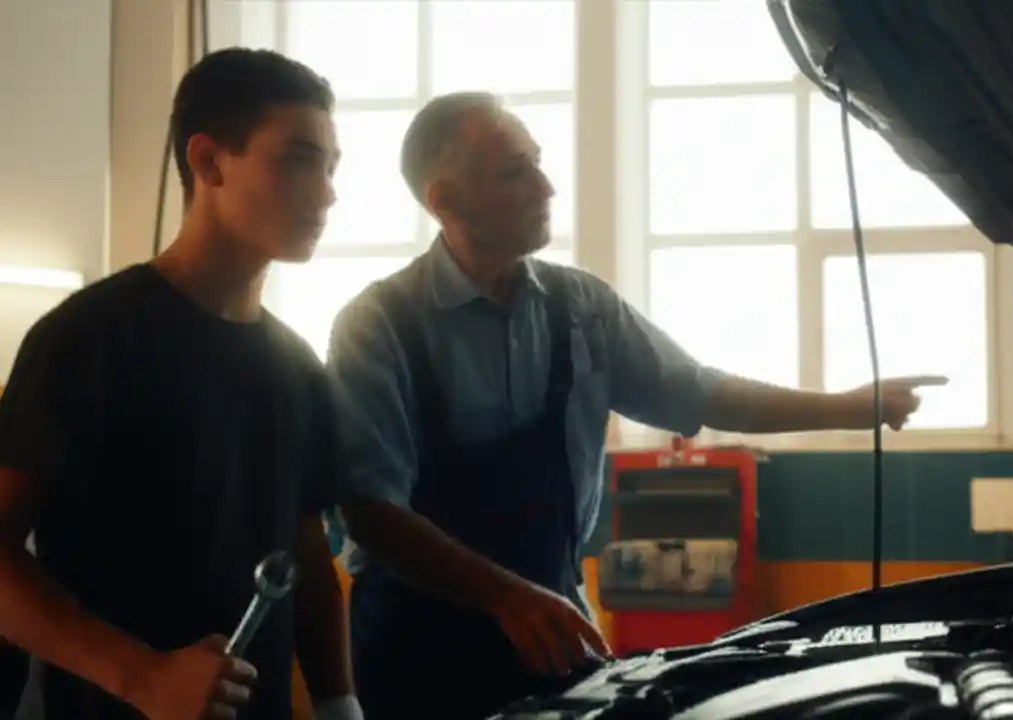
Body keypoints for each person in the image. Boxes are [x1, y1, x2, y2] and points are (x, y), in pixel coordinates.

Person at [326, 91, 946, 719]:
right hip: (417, 659)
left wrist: (846, 407)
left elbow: (704, 393)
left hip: (553, 640)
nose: (545, 186)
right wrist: (506, 598)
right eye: (514, 171)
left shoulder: (583, 309)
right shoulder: (376, 328)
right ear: (444, 201)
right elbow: (371, 511)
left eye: (538, 162)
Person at [0, 48, 362, 720]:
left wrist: (340, 702)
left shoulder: (297, 367)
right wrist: (142, 677)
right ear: (209, 161)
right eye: (299, 159)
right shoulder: (90, 339)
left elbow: (304, 552)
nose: (327, 192)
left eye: (332, 166)